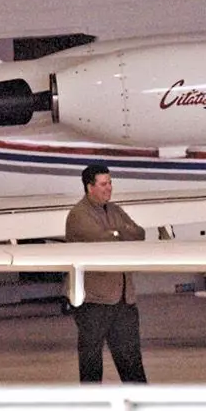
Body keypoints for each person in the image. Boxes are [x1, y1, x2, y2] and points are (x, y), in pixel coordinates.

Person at [64, 162, 148, 384]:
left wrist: (117, 232)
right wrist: (121, 232)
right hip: (94, 302)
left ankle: (140, 407)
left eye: (110, 183)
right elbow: (103, 241)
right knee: (91, 361)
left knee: (131, 359)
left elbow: (139, 234)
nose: (109, 188)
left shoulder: (115, 210)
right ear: (89, 187)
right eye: (103, 184)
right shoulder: (78, 215)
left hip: (123, 299)